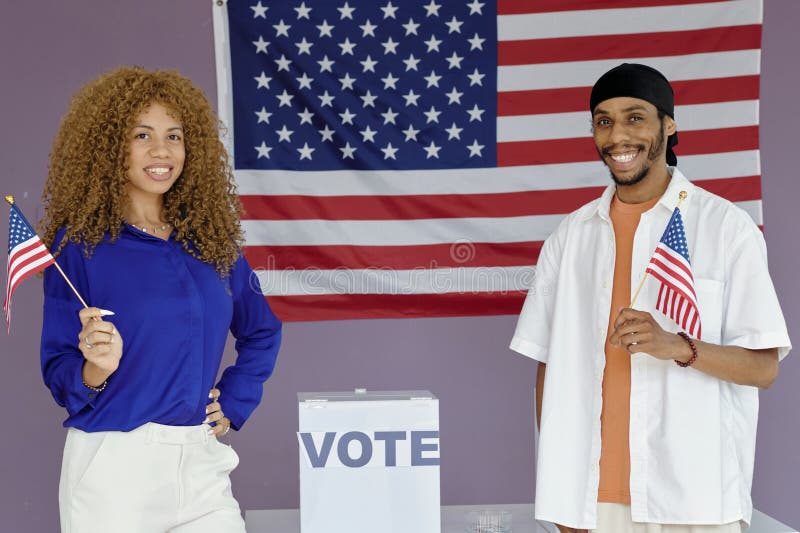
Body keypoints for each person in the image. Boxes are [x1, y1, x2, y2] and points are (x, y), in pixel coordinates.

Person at [510, 63, 790, 533]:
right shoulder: (569, 236)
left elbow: (765, 368)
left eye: (635, 117)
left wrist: (678, 346)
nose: (618, 135)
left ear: (669, 125)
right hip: (592, 504)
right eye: (604, 121)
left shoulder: (726, 229)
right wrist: (562, 491)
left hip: (696, 501)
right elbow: (547, 367)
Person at [39, 67, 282, 532]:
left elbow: (263, 329)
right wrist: (96, 368)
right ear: (112, 147)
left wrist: (234, 401)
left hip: (200, 464)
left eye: (174, 135)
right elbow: (59, 374)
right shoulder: (81, 247)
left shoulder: (213, 243)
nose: (161, 151)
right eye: (142, 135)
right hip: (113, 471)